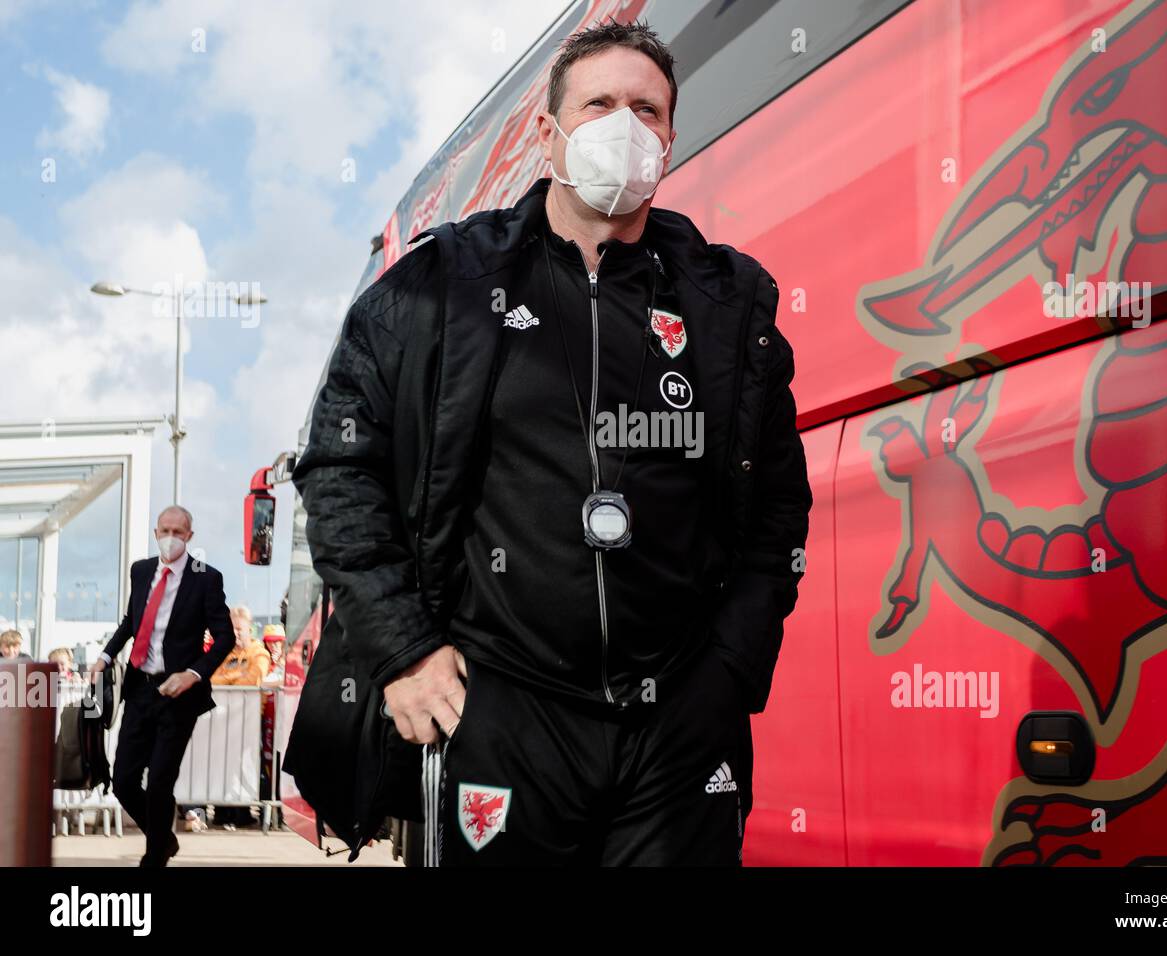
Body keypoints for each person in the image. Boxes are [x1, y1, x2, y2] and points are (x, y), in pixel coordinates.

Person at [289, 19, 811, 866]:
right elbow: (342, 470)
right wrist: (405, 651)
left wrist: (729, 669)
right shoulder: (441, 285)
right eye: (600, 103)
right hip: (503, 712)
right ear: (550, 130)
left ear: (672, 137)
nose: (625, 127)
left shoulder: (729, 306)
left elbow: (778, 510)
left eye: (647, 110)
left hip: (678, 723)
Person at [89, 506, 236, 866]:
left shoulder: (206, 577)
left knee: (159, 783)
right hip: (140, 689)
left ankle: (154, 857)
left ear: (189, 537)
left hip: (179, 695)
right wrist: (105, 656)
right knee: (123, 781)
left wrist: (194, 674)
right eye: (165, 530)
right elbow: (130, 621)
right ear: (156, 533)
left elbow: (224, 637)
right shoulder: (141, 571)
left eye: (179, 531)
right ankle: (164, 838)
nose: (171, 536)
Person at [210, 605, 271, 687]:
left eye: (239, 629)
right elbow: (210, 681)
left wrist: (224, 681)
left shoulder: (260, 654)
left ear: (249, 630)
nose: (234, 633)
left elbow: (253, 682)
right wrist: (237, 675)